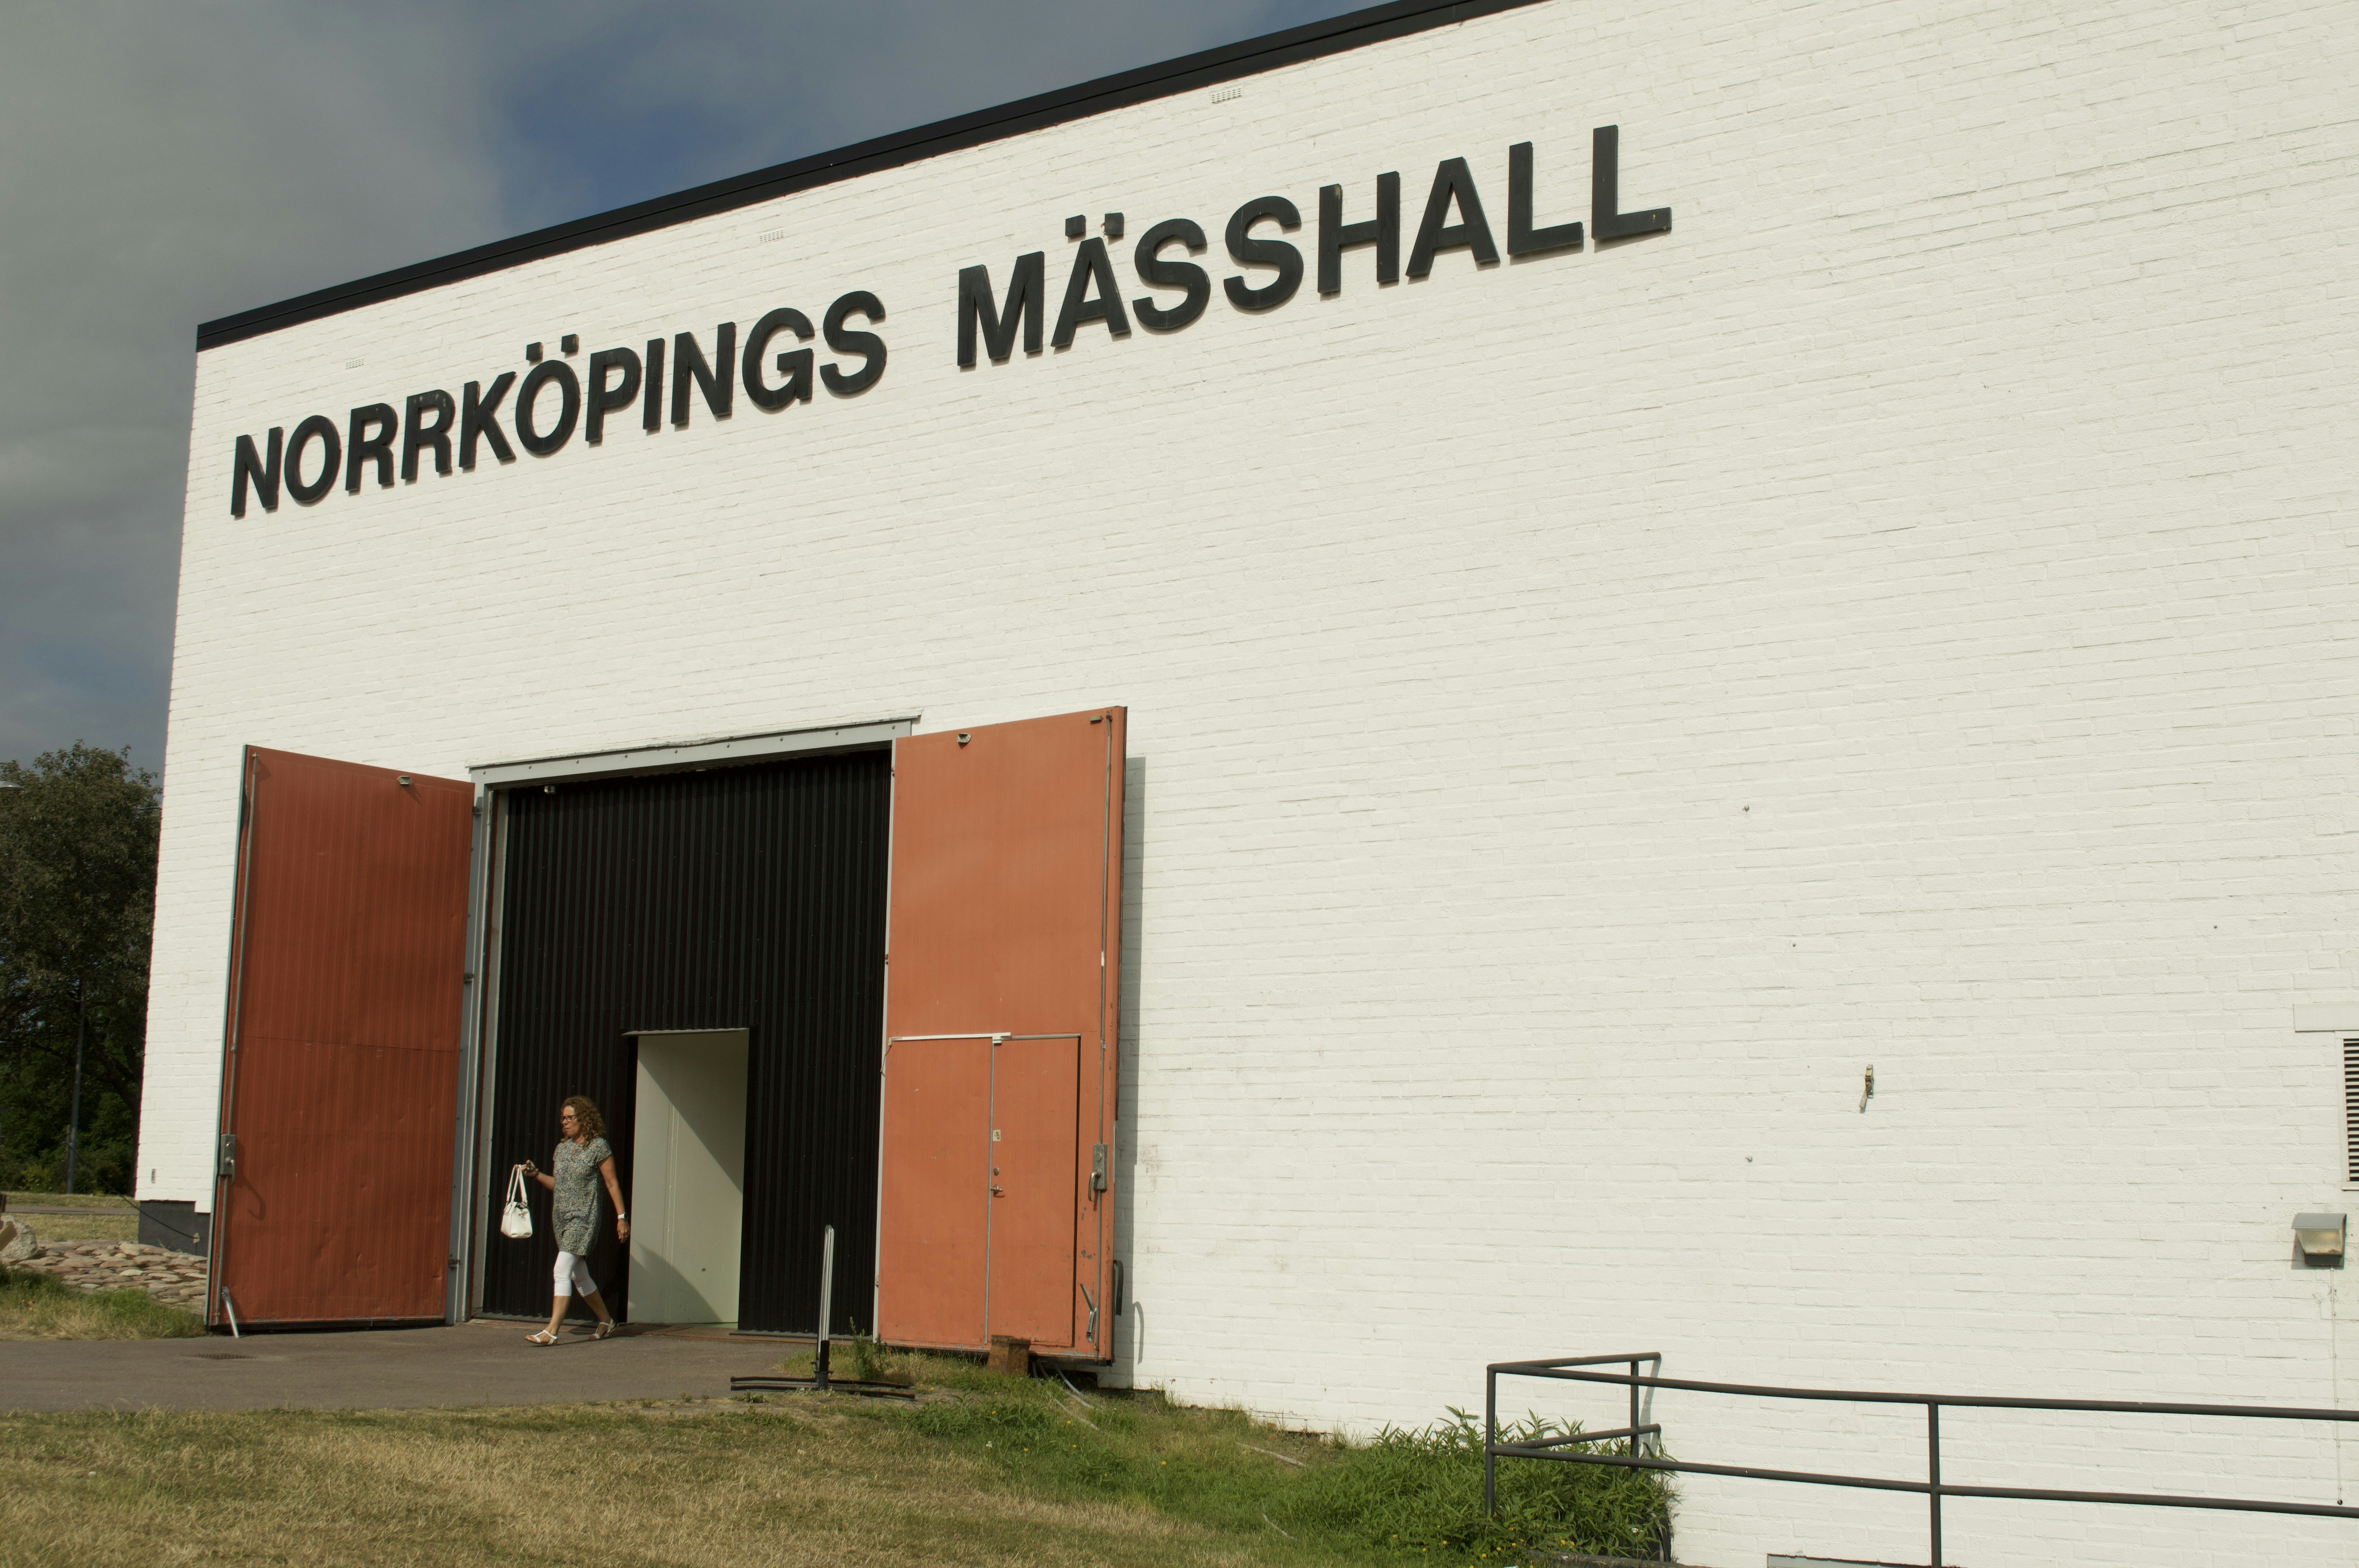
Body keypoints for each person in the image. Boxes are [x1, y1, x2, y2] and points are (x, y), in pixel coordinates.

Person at [514, 1095, 629, 1345]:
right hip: (562, 1219)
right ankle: (606, 1321)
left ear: (584, 1119)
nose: (565, 1123)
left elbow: (612, 1184)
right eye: (563, 1119)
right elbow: (561, 1186)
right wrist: (537, 1175)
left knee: (561, 1270)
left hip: (584, 1218)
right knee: (579, 1275)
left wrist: (622, 1217)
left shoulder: (598, 1147)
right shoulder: (562, 1149)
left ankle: (552, 1331)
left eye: (570, 1118)